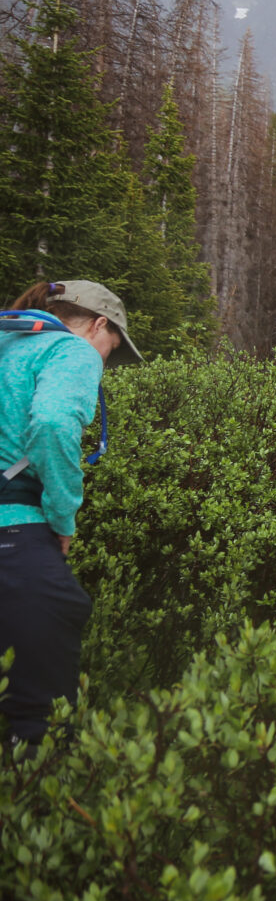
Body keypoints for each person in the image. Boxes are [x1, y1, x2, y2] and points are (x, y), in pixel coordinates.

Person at [0, 280, 143, 744]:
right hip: (15, 532)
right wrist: (63, 519)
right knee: (42, 713)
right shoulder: (72, 351)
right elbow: (54, 421)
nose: (104, 361)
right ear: (100, 324)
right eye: (110, 349)